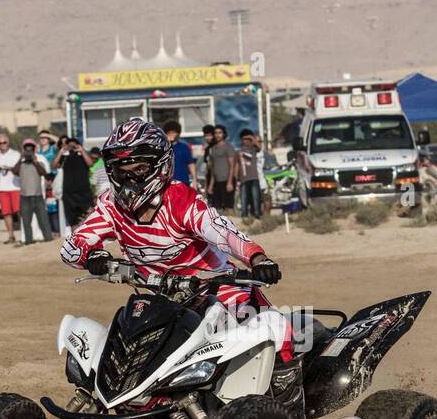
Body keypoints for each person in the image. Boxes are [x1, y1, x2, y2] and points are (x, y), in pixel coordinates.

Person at [60, 118, 289, 400]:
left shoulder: (181, 200)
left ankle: (289, 417)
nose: (130, 179)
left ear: (160, 165)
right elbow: (71, 246)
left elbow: (224, 233)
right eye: (122, 170)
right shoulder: (110, 206)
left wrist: (257, 258)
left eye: (139, 169)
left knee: (276, 329)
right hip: (161, 299)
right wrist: (92, 255)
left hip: (219, 289)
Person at [13, 137, 52, 244]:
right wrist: (20, 158)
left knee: (43, 220)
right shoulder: (21, 164)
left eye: (31, 149)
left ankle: (48, 239)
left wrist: (35, 162)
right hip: (25, 197)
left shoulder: (39, 161)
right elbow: (14, 172)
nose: (29, 152)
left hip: (38, 195)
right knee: (26, 221)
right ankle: (29, 241)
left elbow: (43, 172)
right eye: (27, 150)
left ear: (34, 150)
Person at [0, 134, 21, 245]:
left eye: (4, 142)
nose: (2, 145)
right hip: (2, 187)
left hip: (15, 186)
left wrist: (9, 168)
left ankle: (25, 233)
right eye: (0, 143)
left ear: (8, 142)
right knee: (6, 213)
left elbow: (20, 169)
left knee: (19, 211)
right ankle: (11, 236)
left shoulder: (15, 154)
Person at [58, 137, 95, 230]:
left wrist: (81, 150)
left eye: (74, 144)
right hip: (69, 194)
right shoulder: (64, 156)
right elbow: (54, 165)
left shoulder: (83, 155)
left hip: (84, 192)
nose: (71, 146)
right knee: (73, 220)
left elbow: (90, 163)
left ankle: (90, 235)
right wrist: (61, 152)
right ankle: (75, 239)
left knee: (90, 215)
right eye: (69, 144)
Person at [235, 128, 264, 220]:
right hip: (243, 178)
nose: (246, 141)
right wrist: (236, 178)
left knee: (255, 197)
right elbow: (237, 165)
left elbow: (260, 147)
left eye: (248, 139)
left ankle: (257, 215)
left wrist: (252, 138)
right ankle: (244, 215)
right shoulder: (239, 151)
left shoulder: (254, 149)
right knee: (244, 198)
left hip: (254, 177)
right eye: (244, 139)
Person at [207, 124, 237, 210]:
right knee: (217, 208)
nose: (217, 135)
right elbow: (213, 168)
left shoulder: (228, 147)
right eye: (216, 133)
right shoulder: (213, 149)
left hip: (227, 181)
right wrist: (210, 185)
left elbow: (232, 166)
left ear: (224, 134)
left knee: (228, 208)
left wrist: (230, 182)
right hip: (217, 182)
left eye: (220, 133)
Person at [163, 119, 196, 187]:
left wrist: (195, 180)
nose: (171, 135)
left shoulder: (184, 147)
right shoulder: (163, 148)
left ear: (178, 133)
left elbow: (191, 164)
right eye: (169, 133)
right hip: (168, 183)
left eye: (173, 132)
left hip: (183, 182)